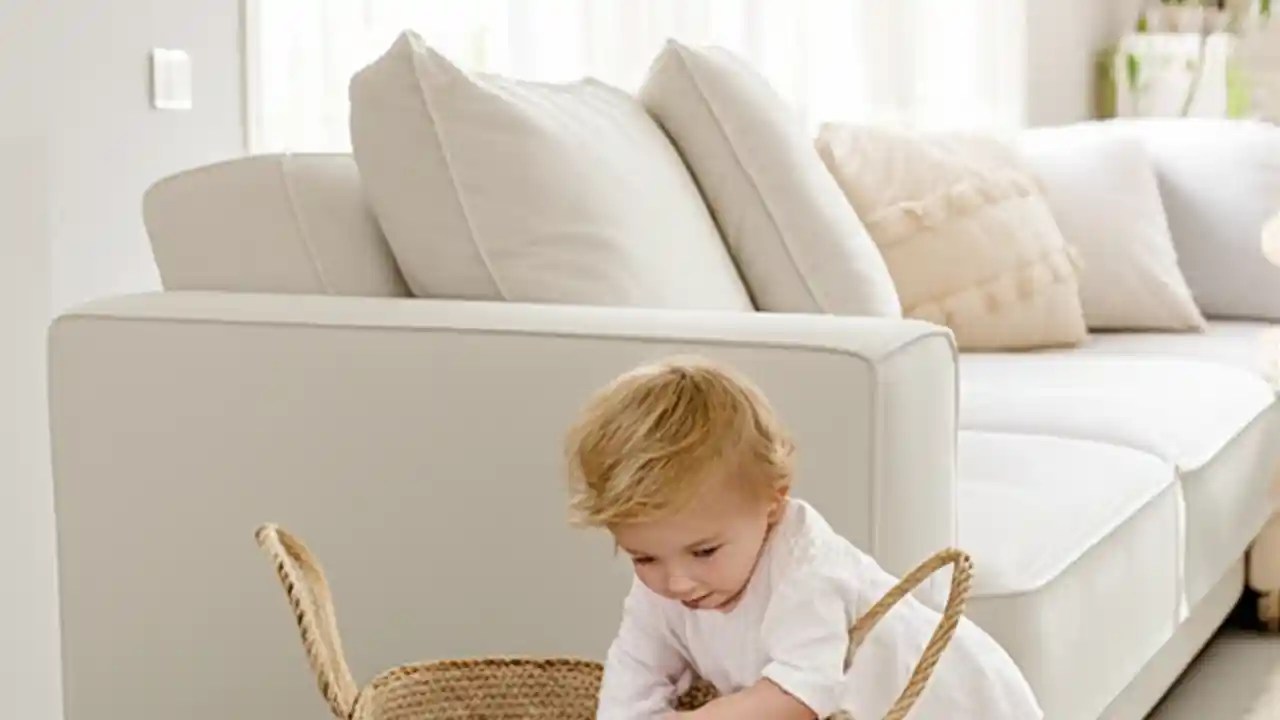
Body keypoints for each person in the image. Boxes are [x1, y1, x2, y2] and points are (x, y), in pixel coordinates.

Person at [564, 356, 1042, 719]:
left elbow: (798, 698)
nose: (677, 581)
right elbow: (631, 682)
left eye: (704, 552)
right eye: (643, 558)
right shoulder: (667, 584)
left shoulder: (807, 572)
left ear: (772, 502)